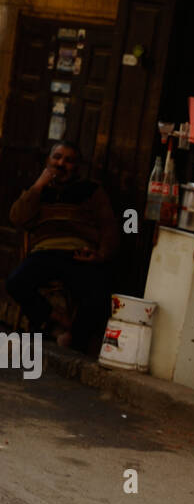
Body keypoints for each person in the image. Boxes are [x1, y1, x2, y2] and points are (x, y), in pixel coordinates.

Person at [7, 142, 119, 351]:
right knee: (15, 282)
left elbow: (109, 226)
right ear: (48, 161)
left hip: (78, 253)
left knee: (99, 292)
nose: (61, 164)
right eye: (57, 157)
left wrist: (101, 255)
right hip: (44, 252)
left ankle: (72, 334)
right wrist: (39, 185)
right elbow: (17, 218)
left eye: (68, 160)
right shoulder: (38, 190)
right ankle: (59, 321)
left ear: (77, 166)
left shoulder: (91, 190)